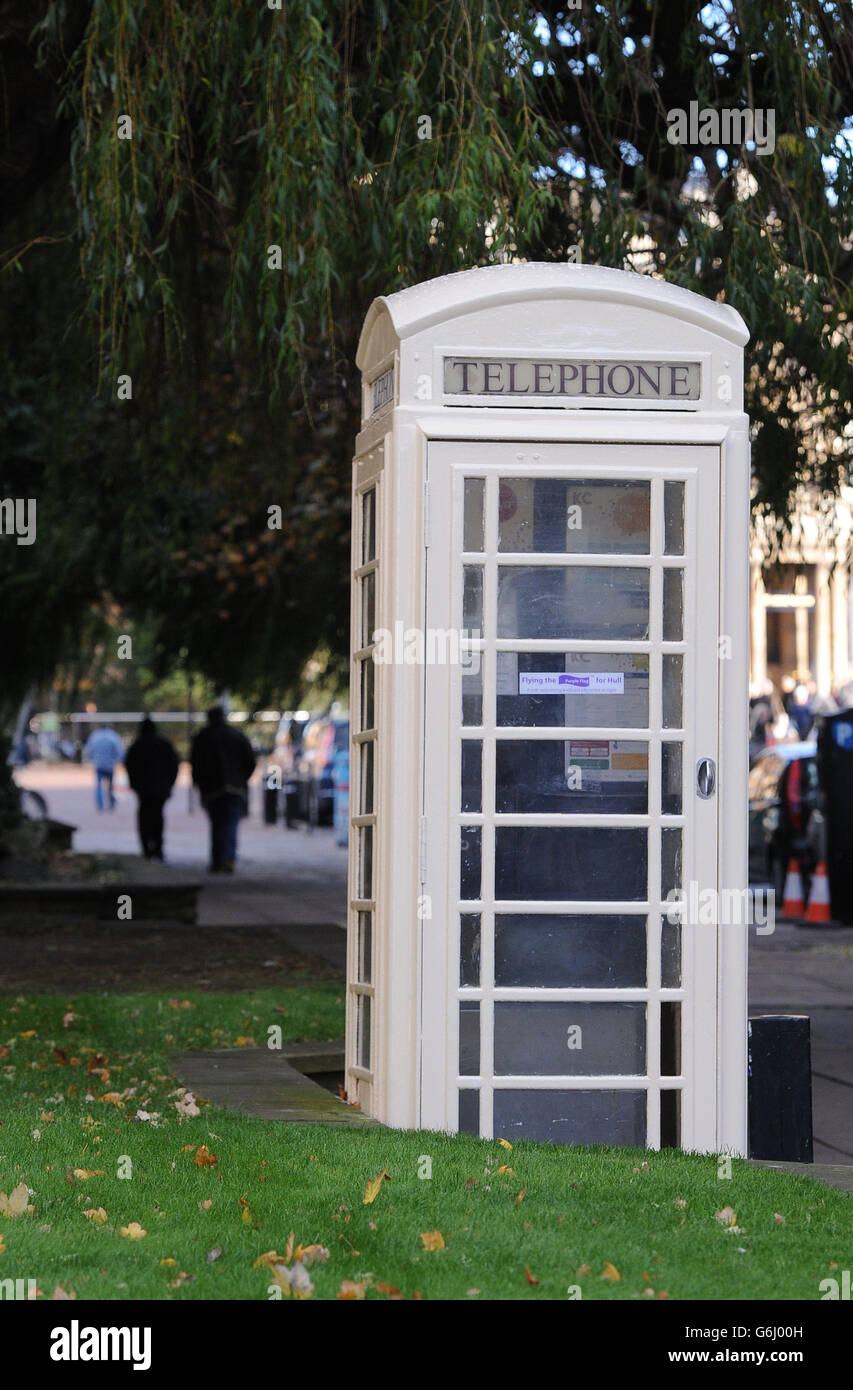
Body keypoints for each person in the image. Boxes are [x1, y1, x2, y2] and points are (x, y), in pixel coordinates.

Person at [190, 706, 256, 872]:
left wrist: (200, 784)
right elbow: (250, 761)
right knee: (230, 824)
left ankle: (218, 860)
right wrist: (241, 779)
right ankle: (228, 858)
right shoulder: (236, 735)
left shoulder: (203, 737)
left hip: (213, 789)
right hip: (235, 788)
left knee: (217, 824)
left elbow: (196, 764)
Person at [124, 717, 180, 860]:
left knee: (145, 819)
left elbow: (130, 766)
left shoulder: (137, 745)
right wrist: (169, 784)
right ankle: (157, 847)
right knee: (157, 817)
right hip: (160, 789)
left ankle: (147, 849)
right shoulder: (164, 744)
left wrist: (135, 785)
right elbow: (174, 765)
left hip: (144, 790)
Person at [83, 723, 125, 810]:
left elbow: (89, 750)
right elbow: (119, 751)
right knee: (111, 786)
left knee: (98, 786)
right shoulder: (113, 736)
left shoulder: (94, 736)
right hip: (110, 765)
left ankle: (100, 805)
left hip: (98, 765)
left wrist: (93, 758)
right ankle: (111, 803)